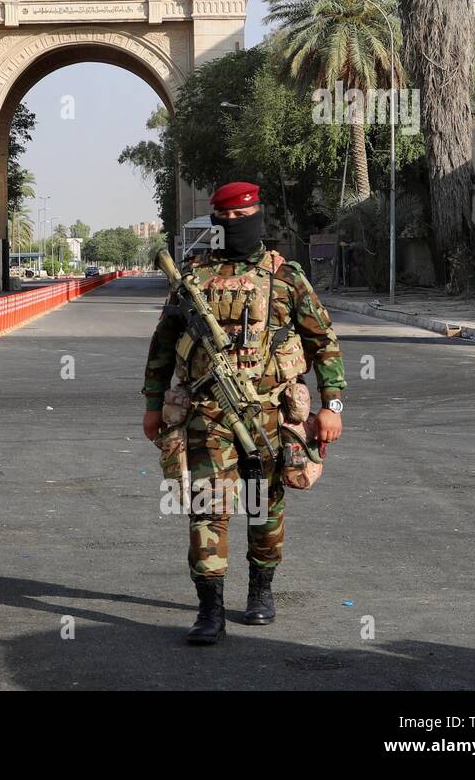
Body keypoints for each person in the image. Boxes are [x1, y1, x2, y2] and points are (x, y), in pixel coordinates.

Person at [141, 181, 346, 644]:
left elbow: (324, 342)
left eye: (243, 218)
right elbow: (162, 346)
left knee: (265, 504)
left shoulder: (284, 276)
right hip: (208, 413)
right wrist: (153, 404)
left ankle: (260, 591)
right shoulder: (192, 279)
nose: (234, 226)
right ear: (216, 221)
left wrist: (332, 405)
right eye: (226, 219)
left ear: (258, 216)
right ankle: (209, 609)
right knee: (206, 507)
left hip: (269, 414)